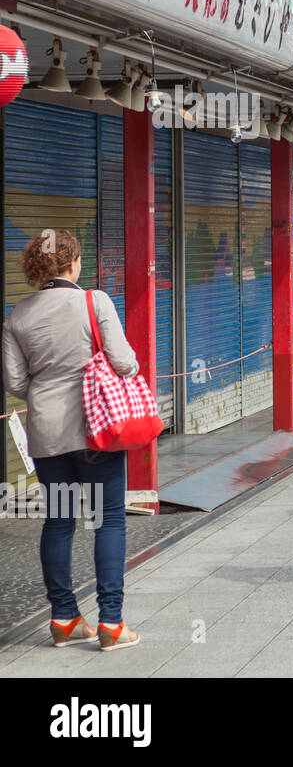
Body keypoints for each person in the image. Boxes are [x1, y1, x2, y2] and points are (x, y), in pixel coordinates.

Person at [2, 230, 141, 652]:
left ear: (36, 267)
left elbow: (15, 383)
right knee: (108, 519)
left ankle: (63, 618)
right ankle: (111, 624)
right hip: (96, 432)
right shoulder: (94, 300)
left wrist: (48, 392)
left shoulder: (18, 316)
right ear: (72, 262)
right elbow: (124, 362)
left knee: (60, 521)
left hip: (47, 435)